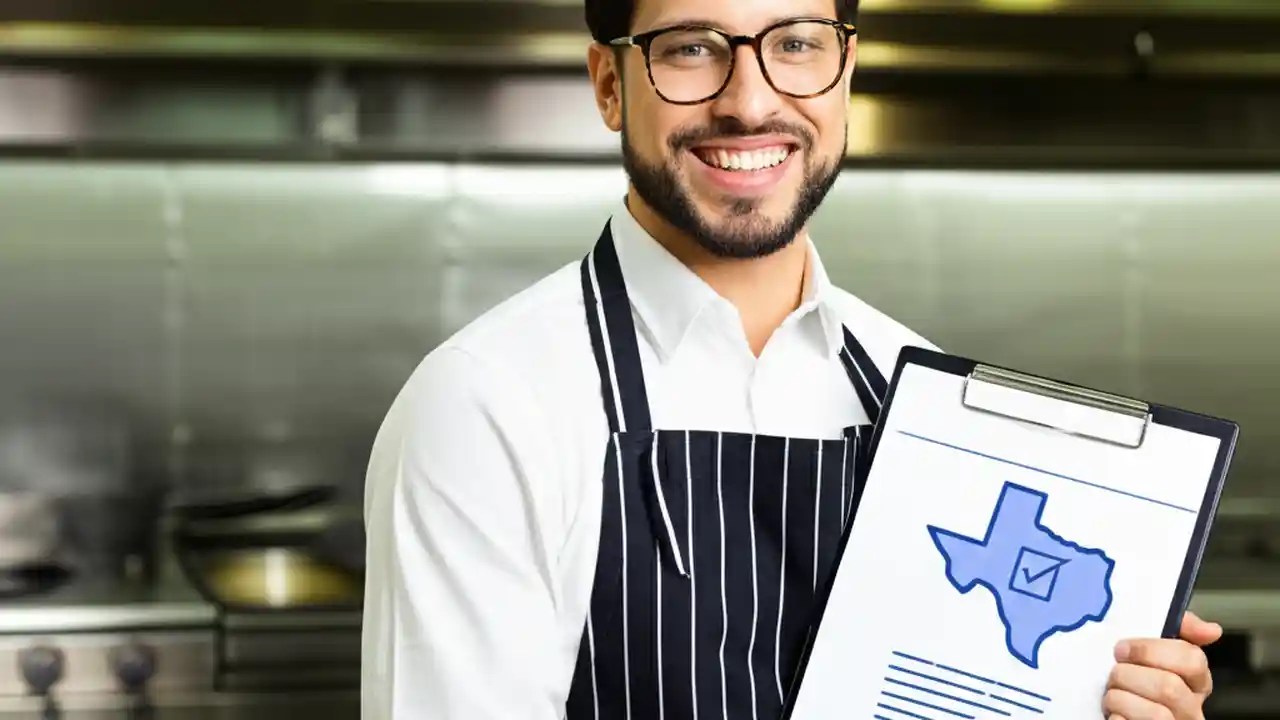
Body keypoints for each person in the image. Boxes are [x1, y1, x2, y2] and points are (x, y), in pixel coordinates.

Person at [360, 0, 1224, 717]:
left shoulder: (918, 389)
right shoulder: (488, 403)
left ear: (845, 72)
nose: (749, 100)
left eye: (797, 44)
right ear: (608, 84)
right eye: (692, 49)